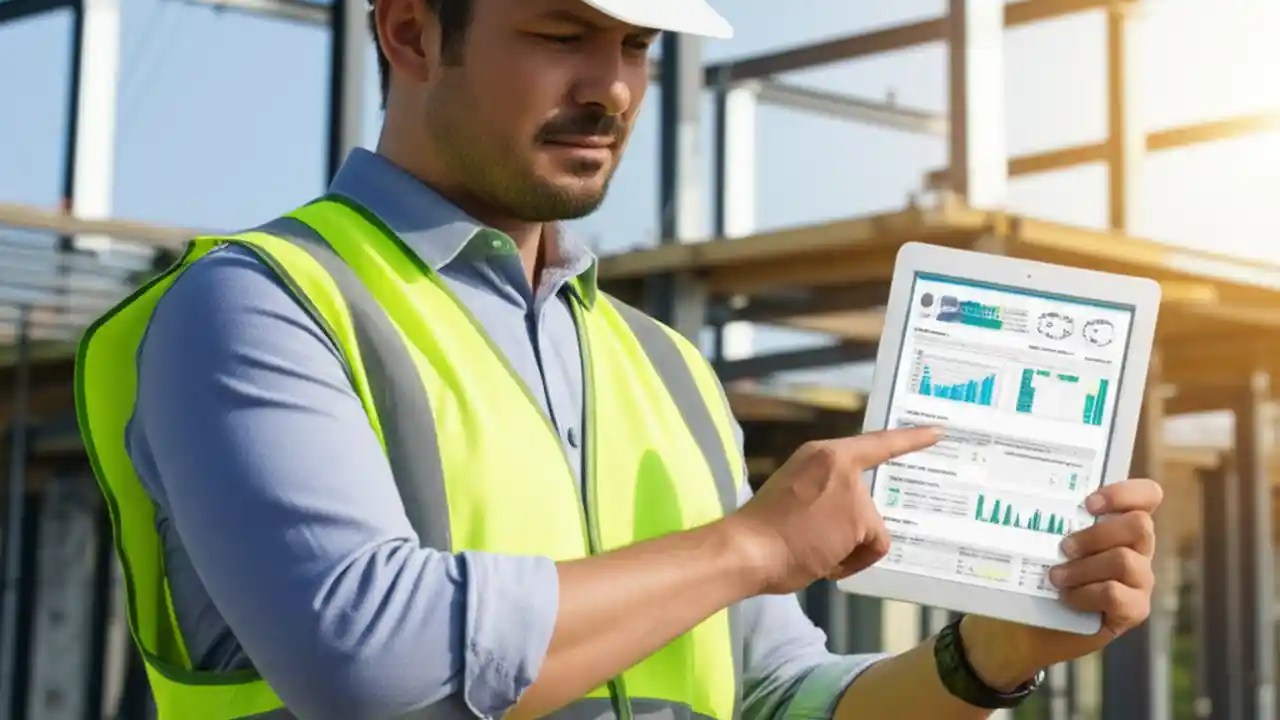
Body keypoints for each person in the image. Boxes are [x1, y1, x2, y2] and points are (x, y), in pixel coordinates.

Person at [75, 0, 1163, 718]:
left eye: (636, 46)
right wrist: (746, 547)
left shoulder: (663, 368)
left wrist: (984, 658)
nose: (613, 87)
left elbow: (775, 693)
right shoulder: (258, 305)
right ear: (410, 32)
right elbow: (365, 661)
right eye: (561, 32)